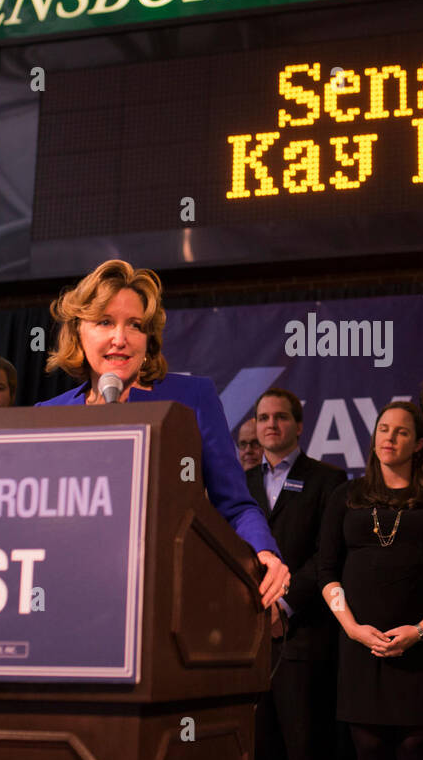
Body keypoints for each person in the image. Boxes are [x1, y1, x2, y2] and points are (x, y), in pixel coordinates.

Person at [36, 259, 287, 607]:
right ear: (79, 331)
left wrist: (264, 551)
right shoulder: (46, 417)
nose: (120, 338)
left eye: (135, 325)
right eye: (105, 322)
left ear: (148, 338)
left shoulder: (192, 398)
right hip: (69, 597)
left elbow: (235, 504)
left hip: (166, 596)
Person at [318, 402, 423, 760]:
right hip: (359, 645)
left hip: (421, 645)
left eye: (401, 431)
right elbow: (327, 571)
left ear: (418, 444)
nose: (389, 438)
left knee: (417, 746)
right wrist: (351, 629)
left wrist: (421, 630)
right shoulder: (346, 496)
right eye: (383, 429)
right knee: (368, 746)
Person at [245, 388, 346, 760]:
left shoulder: (328, 480)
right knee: (260, 752)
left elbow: (327, 557)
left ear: (299, 426)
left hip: (304, 636)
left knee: (307, 753)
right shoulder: (238, 484)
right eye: (264, 417)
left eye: (281, 417)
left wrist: (283, 606)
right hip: (251, 641)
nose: (271, 424)